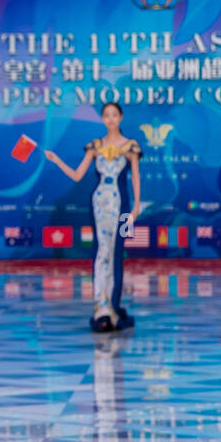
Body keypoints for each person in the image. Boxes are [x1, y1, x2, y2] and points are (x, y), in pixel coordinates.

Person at [45, 100, 143, 332]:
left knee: (116, 252)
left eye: (114, 115)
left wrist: (136, 208)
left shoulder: (131, 146)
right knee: (101, 252)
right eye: (106, 115)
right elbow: (78, 175)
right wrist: (57, 161)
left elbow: (136, 178)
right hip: (98, 203)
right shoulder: (95, 146)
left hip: (122, 205)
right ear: (102, 119)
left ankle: (114, 306)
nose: (110, 119)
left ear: (120, 118)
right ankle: (101, 307)